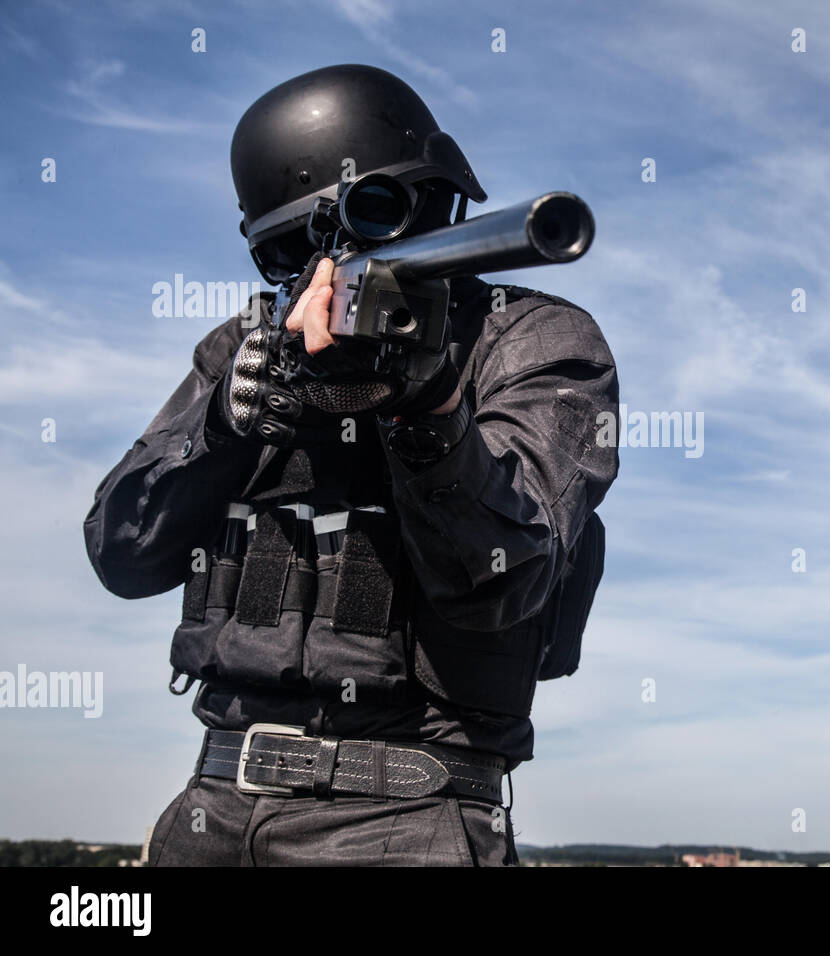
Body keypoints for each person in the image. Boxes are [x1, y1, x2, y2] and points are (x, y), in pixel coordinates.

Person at [83, 64, 618, 866]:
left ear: (432, 204)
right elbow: (120, 552)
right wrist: (225, 425)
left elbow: (501, 580)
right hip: (215, 807)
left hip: (405, 816)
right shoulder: (245, 350)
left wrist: (426, 404)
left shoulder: (532, 341)